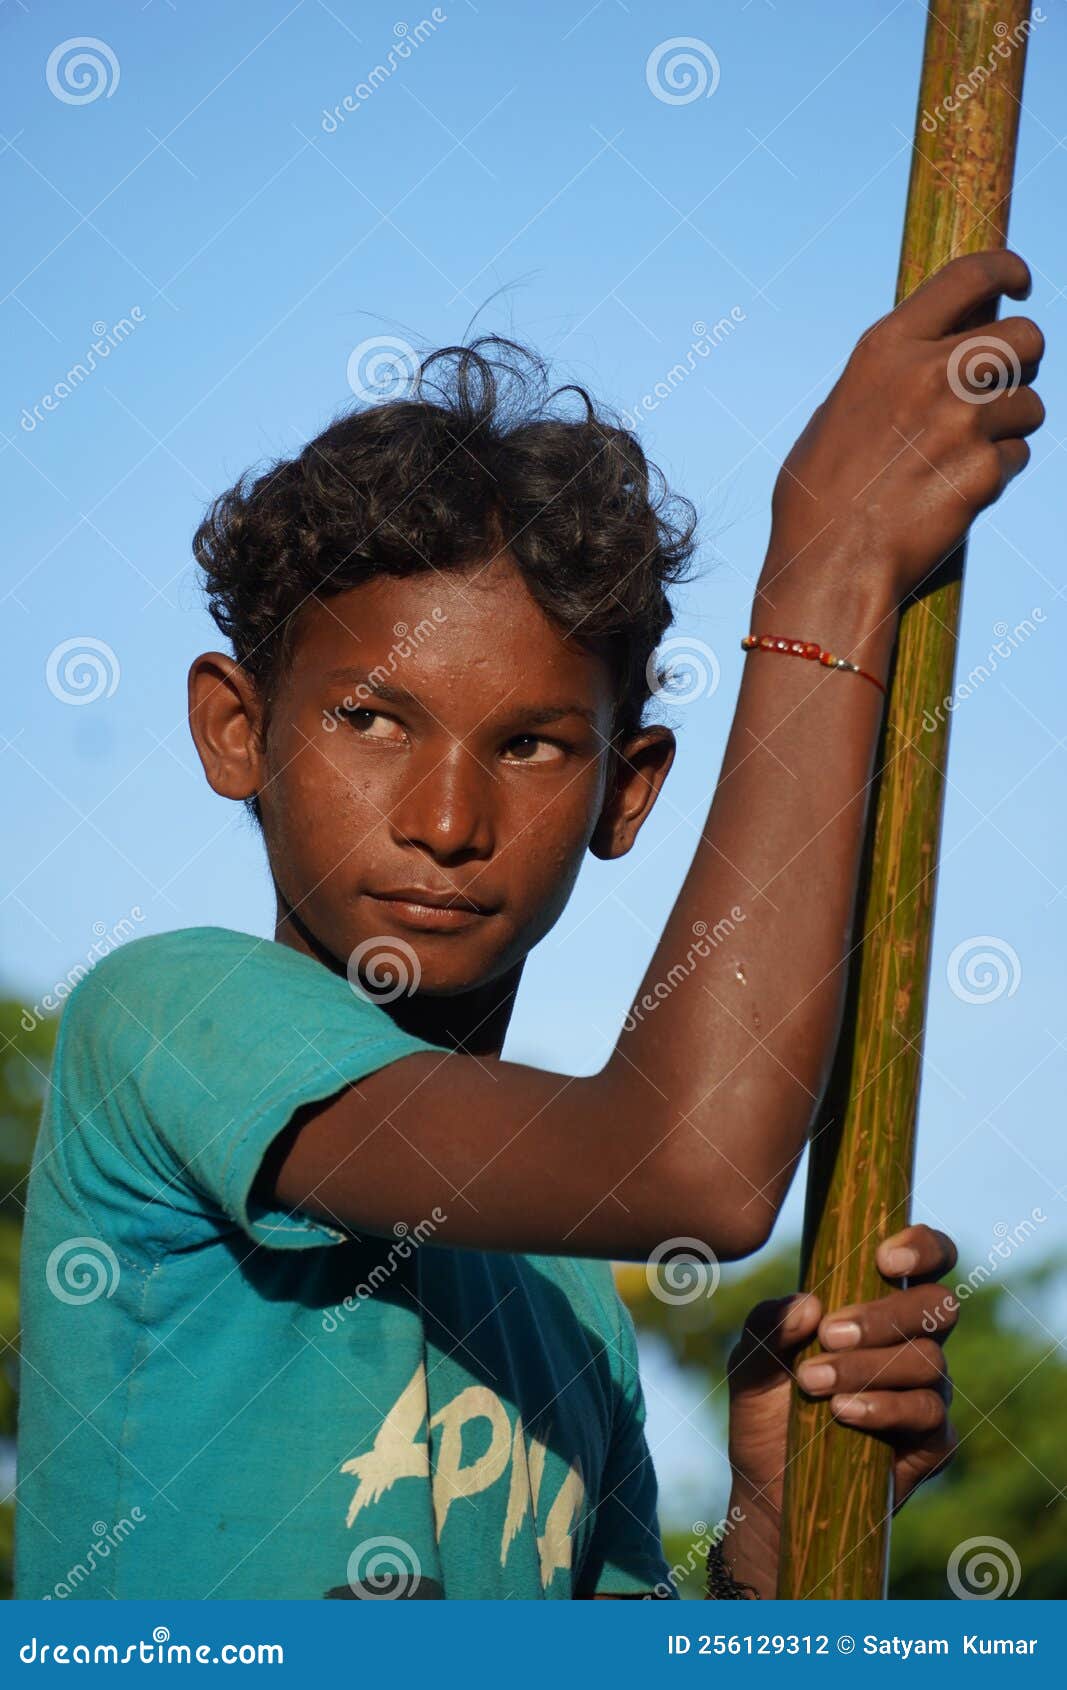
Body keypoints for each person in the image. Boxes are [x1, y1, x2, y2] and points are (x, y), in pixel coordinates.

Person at [15, 250, 1043, 1600]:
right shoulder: (165, 1018)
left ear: (629, 791)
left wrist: (777, 1523)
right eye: (372, 719)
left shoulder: (566, 1306)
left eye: (535, 745)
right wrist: (827, 576)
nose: (448, 818)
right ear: (235, 727)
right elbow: (698, 1170)